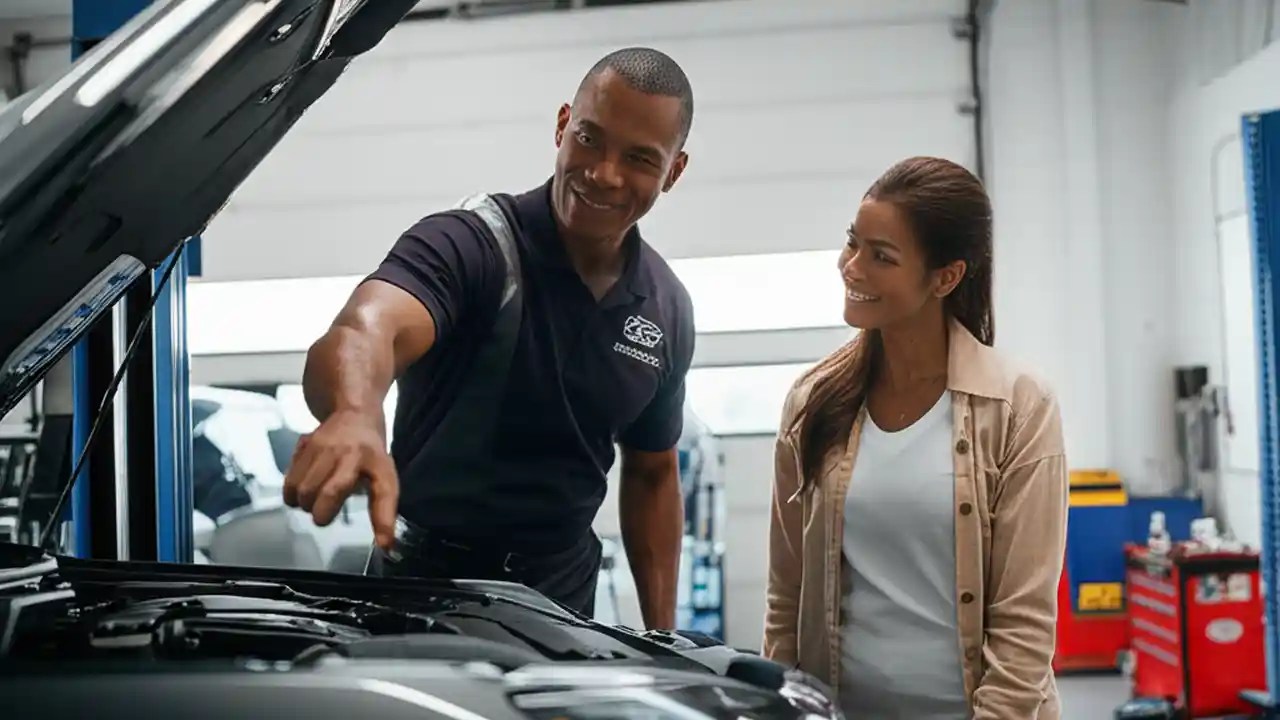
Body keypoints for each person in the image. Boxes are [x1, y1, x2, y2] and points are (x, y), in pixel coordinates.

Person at [281, 46, 697, 628]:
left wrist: (662, 636)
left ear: (674, 172)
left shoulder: (666, 308)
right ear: (561, 127)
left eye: (639, 159)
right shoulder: (471, 246)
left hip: (561, 604)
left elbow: (653, 474)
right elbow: (367, 326)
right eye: (589, 138)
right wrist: (353, 411)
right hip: (421, 592)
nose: (604, 173)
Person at [762, 156, 1069, 719]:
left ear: (945, 277)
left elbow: (1025, 622)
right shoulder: (813, 402)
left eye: (881, 257)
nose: (851, 267)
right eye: (852, 244)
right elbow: (787, 597)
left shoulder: (1017, 406)